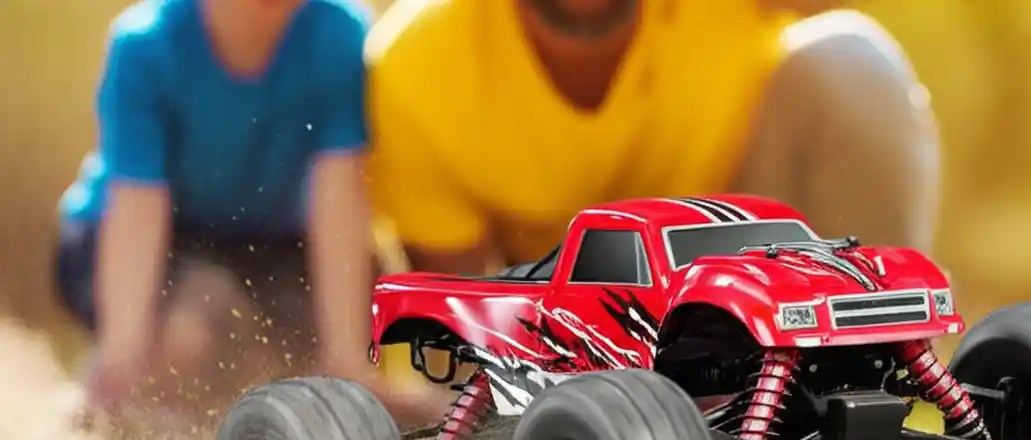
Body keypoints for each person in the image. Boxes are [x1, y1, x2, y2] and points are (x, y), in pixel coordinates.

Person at [56, 0, 438, 428]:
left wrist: (347, 360)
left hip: (268, 241)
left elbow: (339, 196)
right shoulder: (146, 44)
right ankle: (118, 406)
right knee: (192, 331)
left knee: (316, 349)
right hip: (140, 240)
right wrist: (122, 351)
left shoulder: (338, 33)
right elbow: (138, 207)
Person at [365, 0, 940, 276]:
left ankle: (871, 366)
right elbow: (455, 305)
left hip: (747, 246)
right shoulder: (414, 64)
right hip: (567, 309)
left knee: (851, 58)